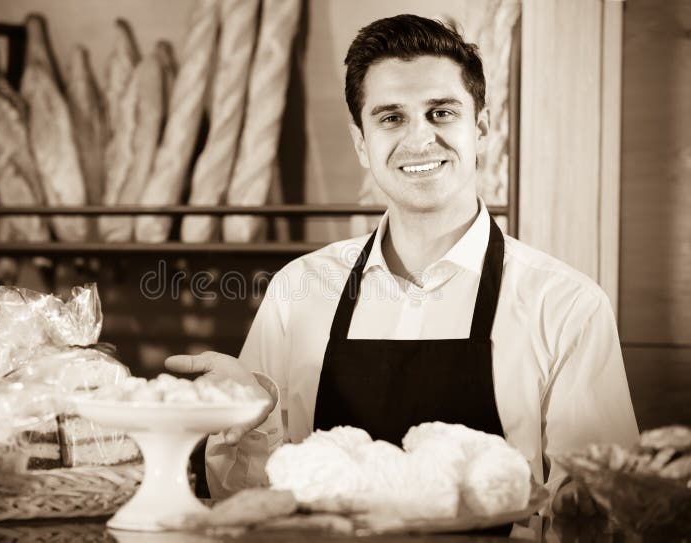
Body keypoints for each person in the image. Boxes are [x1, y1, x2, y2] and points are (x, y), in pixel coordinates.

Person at [166, 14, 638, 515]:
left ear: (480, 127)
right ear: (361, 144)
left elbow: (604, 514)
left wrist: (587, 499)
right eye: (391, 117)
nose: (418, 140)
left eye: (441, 113)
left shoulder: (565, 305)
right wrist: (252, 423)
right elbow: (244, 504)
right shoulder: (298, 291)